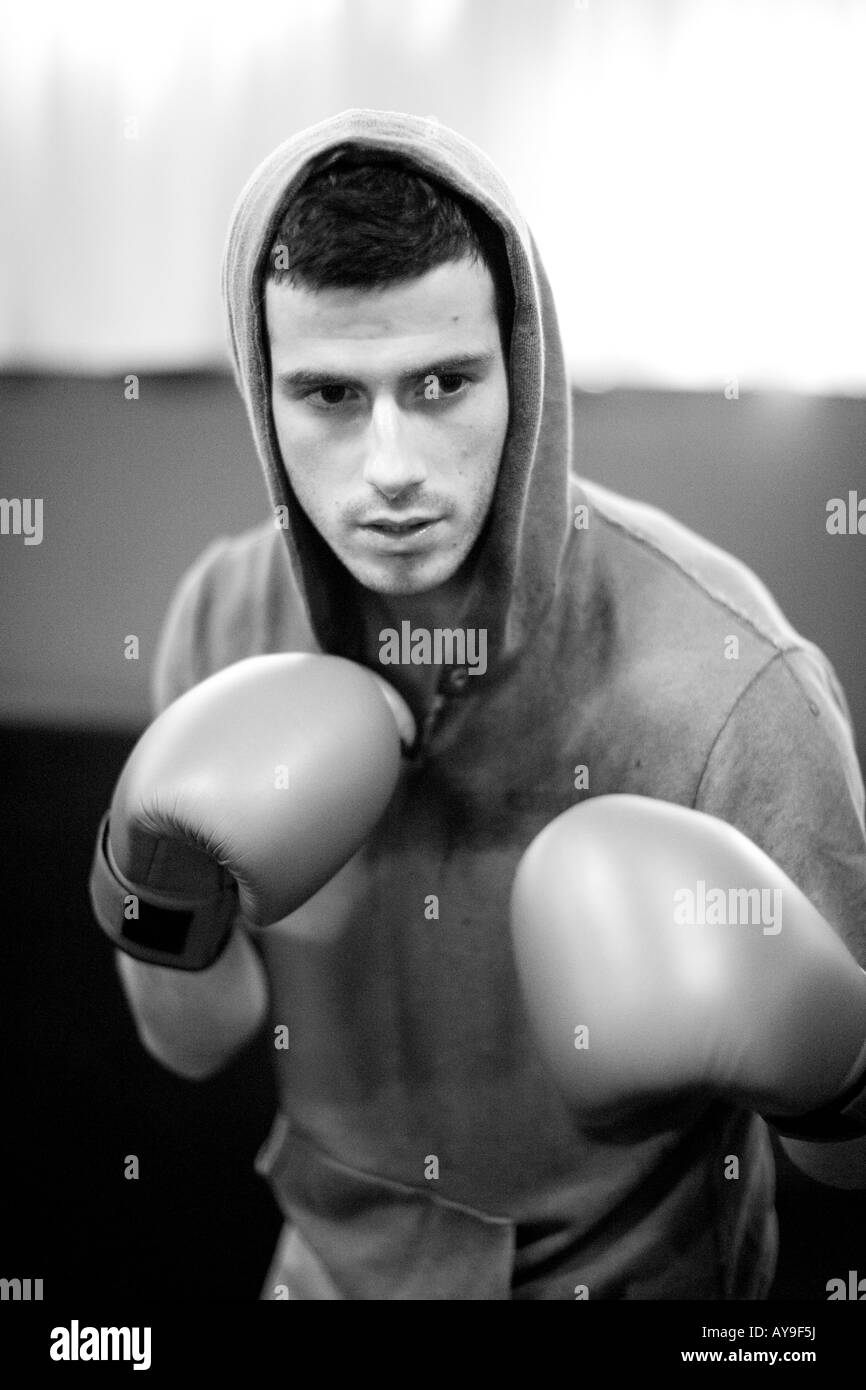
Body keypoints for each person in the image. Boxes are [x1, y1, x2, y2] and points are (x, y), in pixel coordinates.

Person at [94, 109, 866, 1300]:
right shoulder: (223, 618)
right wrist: (147, 880)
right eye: (330, 396)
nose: (391, 463)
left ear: (524, 369)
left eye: (442, 382)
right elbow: (194, 1042)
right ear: (264, 399)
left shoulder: (726, 678)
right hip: (326, 1272)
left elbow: (851, 1164)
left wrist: (826, 1063)